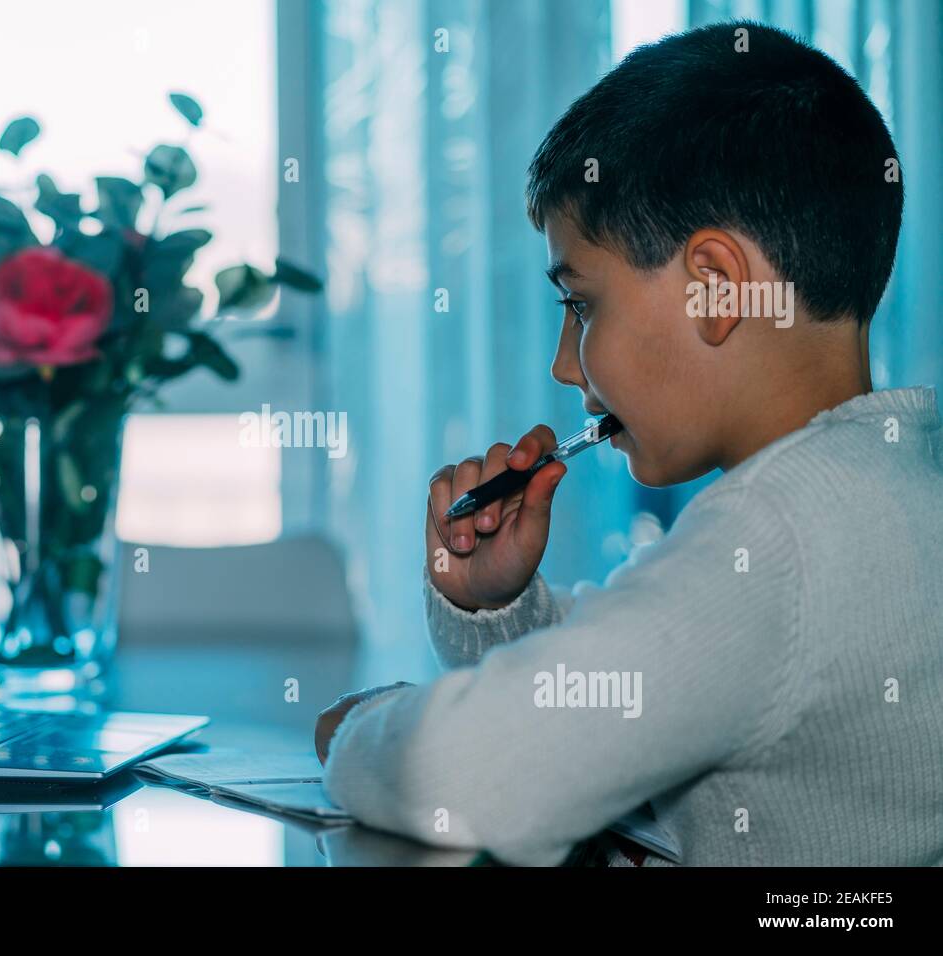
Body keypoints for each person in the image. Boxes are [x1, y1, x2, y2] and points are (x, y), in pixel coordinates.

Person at [315, 21, 942, 866]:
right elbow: (652, 685)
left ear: (717, 289)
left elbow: (465, 773)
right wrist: (493, 608)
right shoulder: (888, 479)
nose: (563, 364)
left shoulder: (782, 535)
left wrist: (357, 726)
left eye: (581, 305)